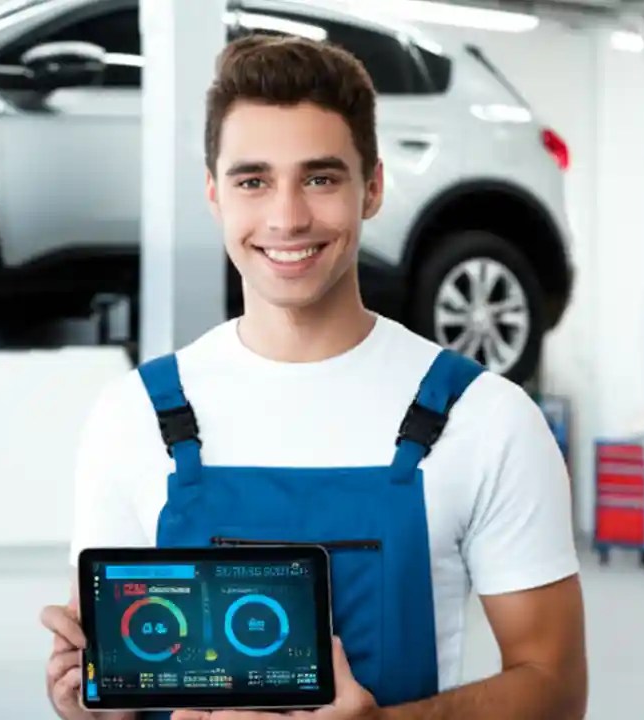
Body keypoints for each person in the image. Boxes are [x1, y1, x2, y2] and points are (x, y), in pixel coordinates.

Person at [40, 34, 588, 720]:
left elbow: (555, 687)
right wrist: (91, 705)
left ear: (373, 188)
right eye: (253, 181)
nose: (287, 218)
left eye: (320, 179)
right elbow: (122, 680)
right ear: (214, 194)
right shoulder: (133, 417)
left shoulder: (486, 418)